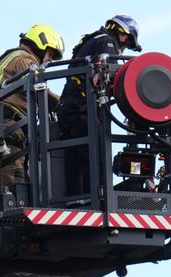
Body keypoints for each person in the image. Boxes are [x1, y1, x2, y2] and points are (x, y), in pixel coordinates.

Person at [57, 15, 140, 195]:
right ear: (124, 36)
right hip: (82, 108)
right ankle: (98, 199)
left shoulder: (92, 40)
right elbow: (110, 78)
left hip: (69, 108)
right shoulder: (107, 42)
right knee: (97, 155)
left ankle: (76, 200)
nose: (122, 50)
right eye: (126, 46)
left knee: (76, 158)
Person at [0, 24, 64, 191]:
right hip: (8, 126)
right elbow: (38, 86)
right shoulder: (24, 59)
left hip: (11, 129)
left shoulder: (12, 56)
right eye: (50, 53)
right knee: (10, 182)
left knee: (20, 180)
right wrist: (63, 103)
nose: (49, 59)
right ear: (39, 45)